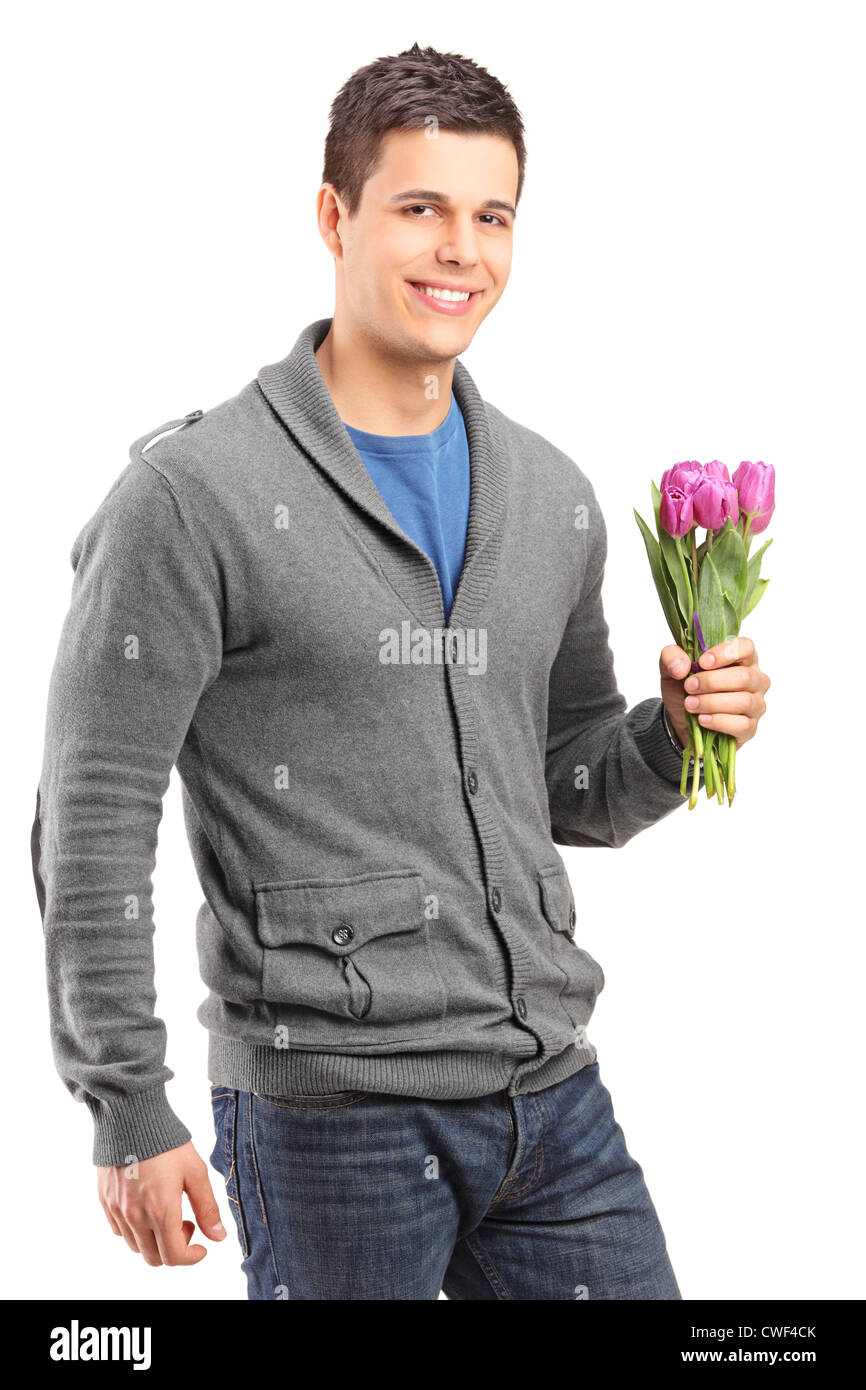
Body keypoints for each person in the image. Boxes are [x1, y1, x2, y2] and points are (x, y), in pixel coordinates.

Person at [31, 42, 770, 1300]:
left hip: (553, 1098)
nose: (459, 251)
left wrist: (673, 735)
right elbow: (92, 811)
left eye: (491, 216)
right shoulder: (192, 496)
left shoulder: (549, 496)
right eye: (419, 207)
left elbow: (561, 782)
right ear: (335, 215)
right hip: (332, 1120)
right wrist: (125, 1103)